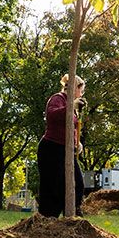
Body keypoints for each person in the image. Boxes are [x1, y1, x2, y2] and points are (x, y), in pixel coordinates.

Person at [37, 74, 85, 217]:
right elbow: (52, 116)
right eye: (81, 90)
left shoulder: (71, 105)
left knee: (77, 183)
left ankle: (73, 217)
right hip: (51, 148)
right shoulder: (58, 99)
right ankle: (47, 221)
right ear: (74, 88)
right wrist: (72, 106)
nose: (81, 94)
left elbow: (70, 127)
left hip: (65, 150)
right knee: (53, 188)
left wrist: (78, 142)